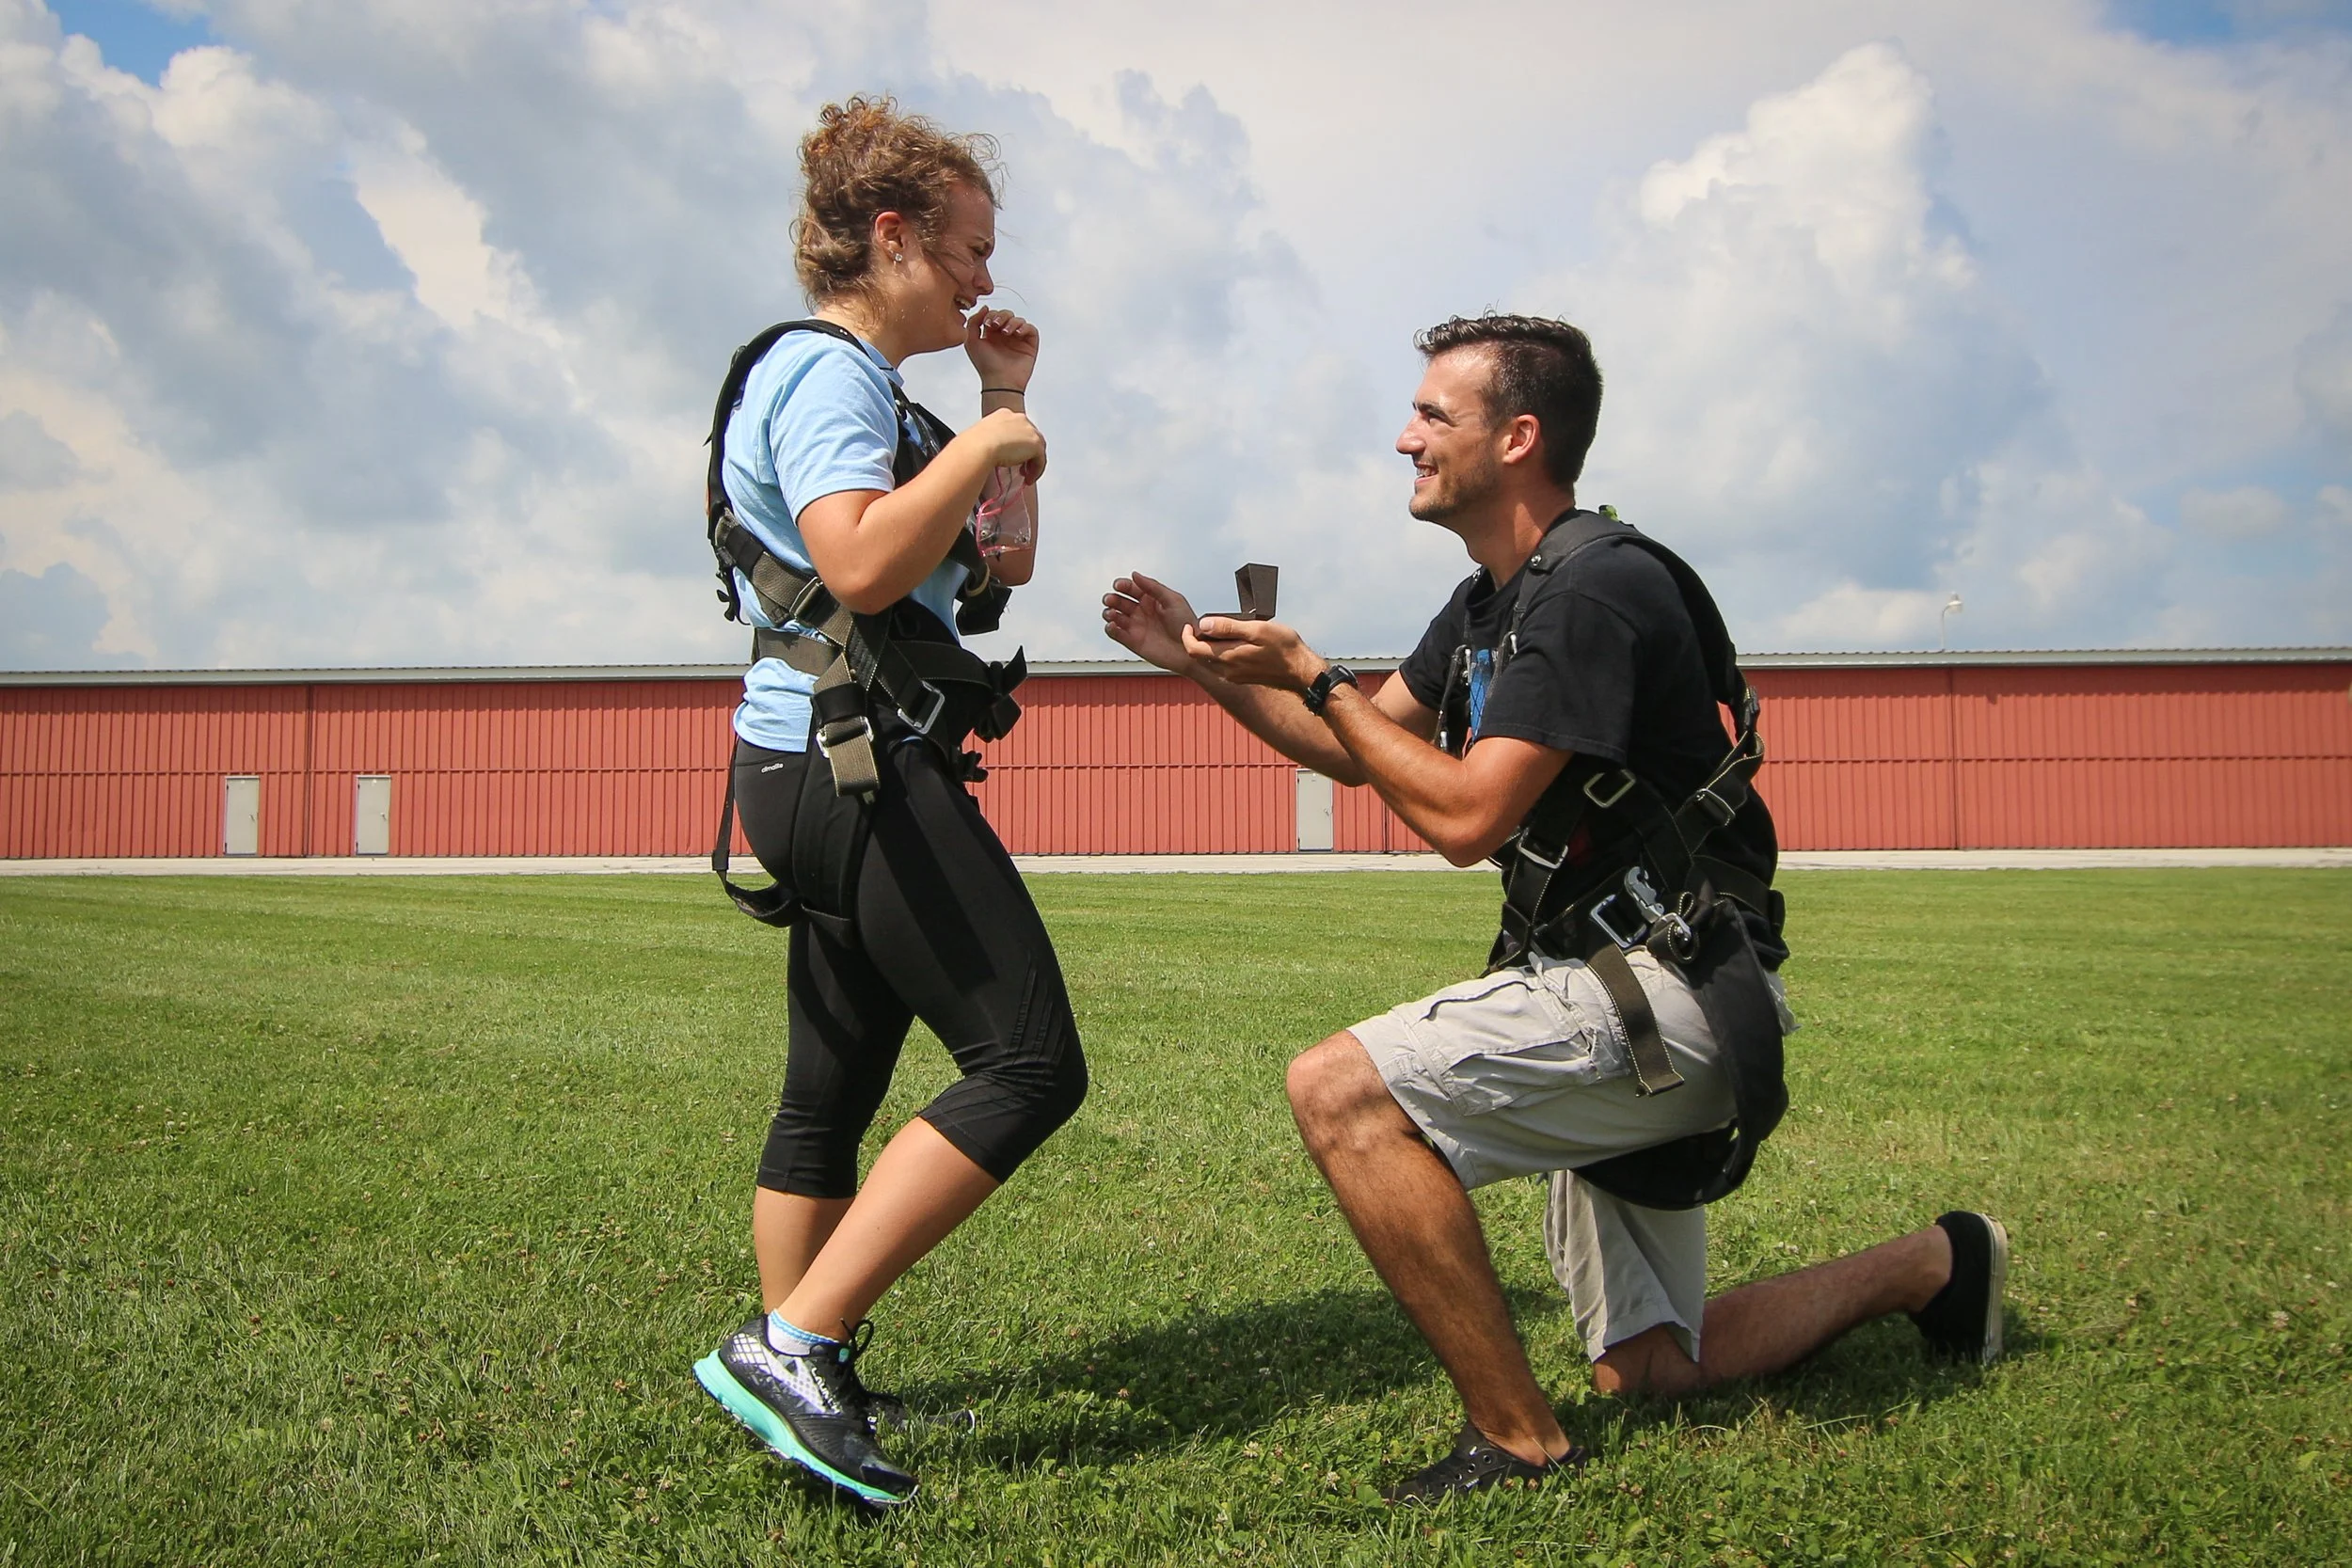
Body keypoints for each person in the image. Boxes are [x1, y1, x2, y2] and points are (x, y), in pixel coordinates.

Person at [1102, 313, 2008, 1501]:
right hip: (1612, 983)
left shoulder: (1593, 590)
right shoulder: (1490, 599)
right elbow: (1357, 752)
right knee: (1652, 1370)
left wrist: (1312, 669)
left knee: (1341, 1089)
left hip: (1676, 993)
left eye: (1433, 415)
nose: (1402, 437)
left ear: (1518, 436)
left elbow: (1465, 821)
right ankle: (1936, 1265)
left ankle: (1518, 1438)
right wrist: (1209, 669)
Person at [691, 96, 1085, 1510]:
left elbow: (1002, 573)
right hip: (856, 761)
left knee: (827, 1093)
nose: (988, 276)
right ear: (892, 234)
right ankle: (793, 1344)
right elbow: (857, 565)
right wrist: (986, 446)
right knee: (1031, 1061)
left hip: (808, 765)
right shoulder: (826, 376)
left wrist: (994, 412)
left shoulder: (887, 396)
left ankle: (810, 1382)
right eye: (972, 249)